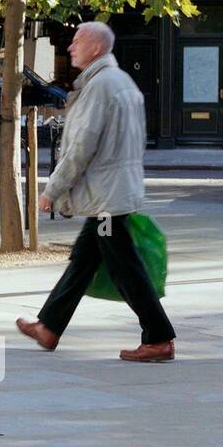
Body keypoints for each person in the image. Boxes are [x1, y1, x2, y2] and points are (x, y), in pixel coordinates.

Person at [17, 21, 176, 362]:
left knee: (125, 267)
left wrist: (53, 190)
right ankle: (49, 326)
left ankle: (159, 337)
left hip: (107, 199)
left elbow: (80, 147)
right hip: (114, 192)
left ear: (97, 48)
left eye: (78, 41)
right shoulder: (122, 82)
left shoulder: (101, 87)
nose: (71, 47)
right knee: (83, 260)